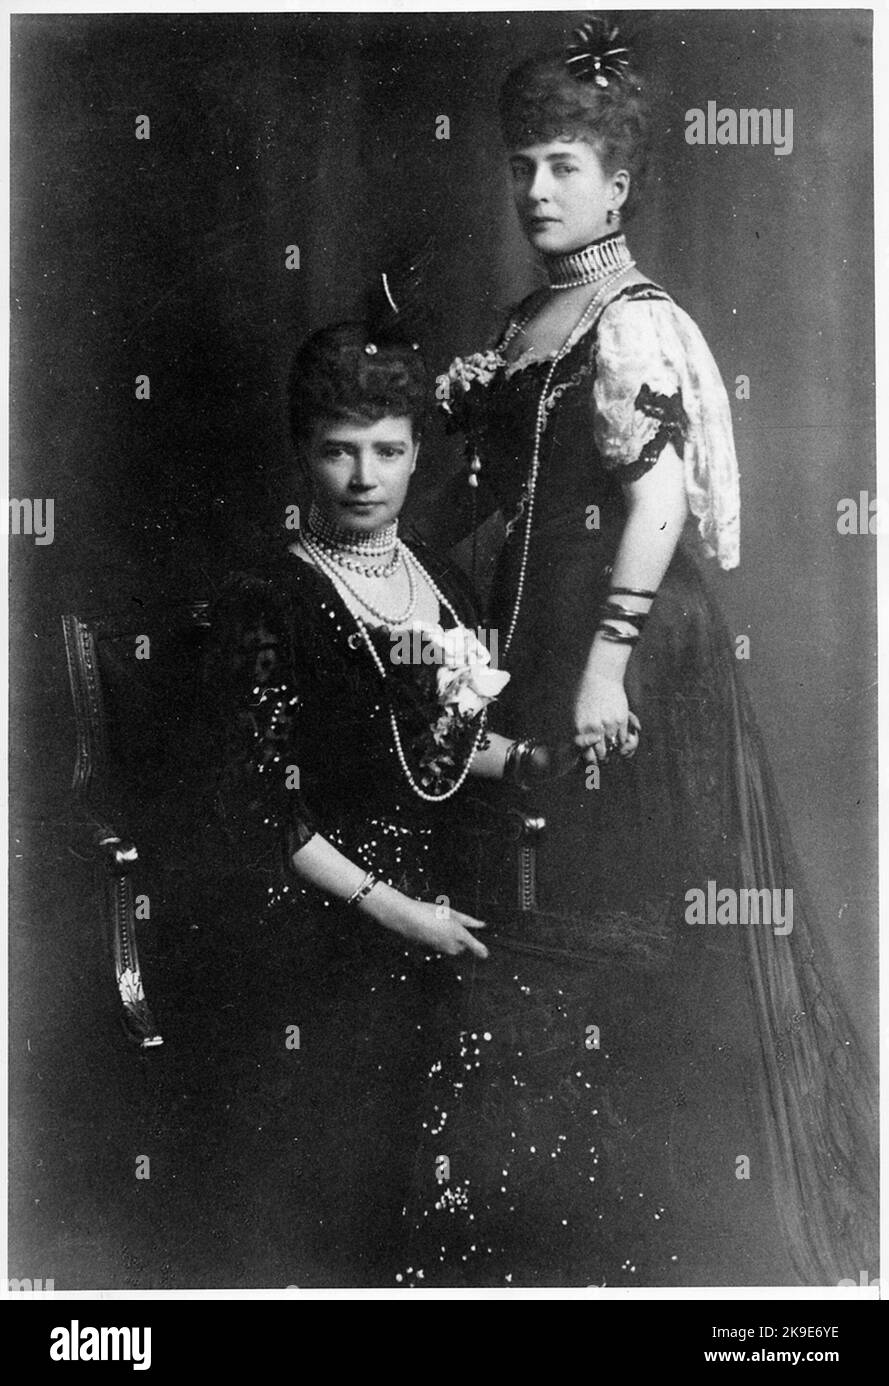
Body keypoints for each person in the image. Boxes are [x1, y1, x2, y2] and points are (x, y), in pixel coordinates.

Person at [435, 21, 877, 1285]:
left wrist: (604, 665)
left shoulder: (633, 320)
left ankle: (678, 1229)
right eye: (524, 166)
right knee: (546, 917)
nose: (536, 191)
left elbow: (661, 502)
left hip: (631, 648)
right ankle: (569, 1222)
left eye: (564, 166)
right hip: (550, 632)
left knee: (638, 922)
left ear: (619, 183)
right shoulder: (537, 312)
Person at [207, 321, 583, 1284]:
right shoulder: (272, 602)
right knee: (410, 1134)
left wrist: (534, 759)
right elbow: (265, 809)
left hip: (450, 874)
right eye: (338, 449)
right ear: (304, 453)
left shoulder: (436, 579)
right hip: (333, 909)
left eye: (387, 448)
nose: (364, 475)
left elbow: (436, 747)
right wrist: (395, 909)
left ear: (418, 450)